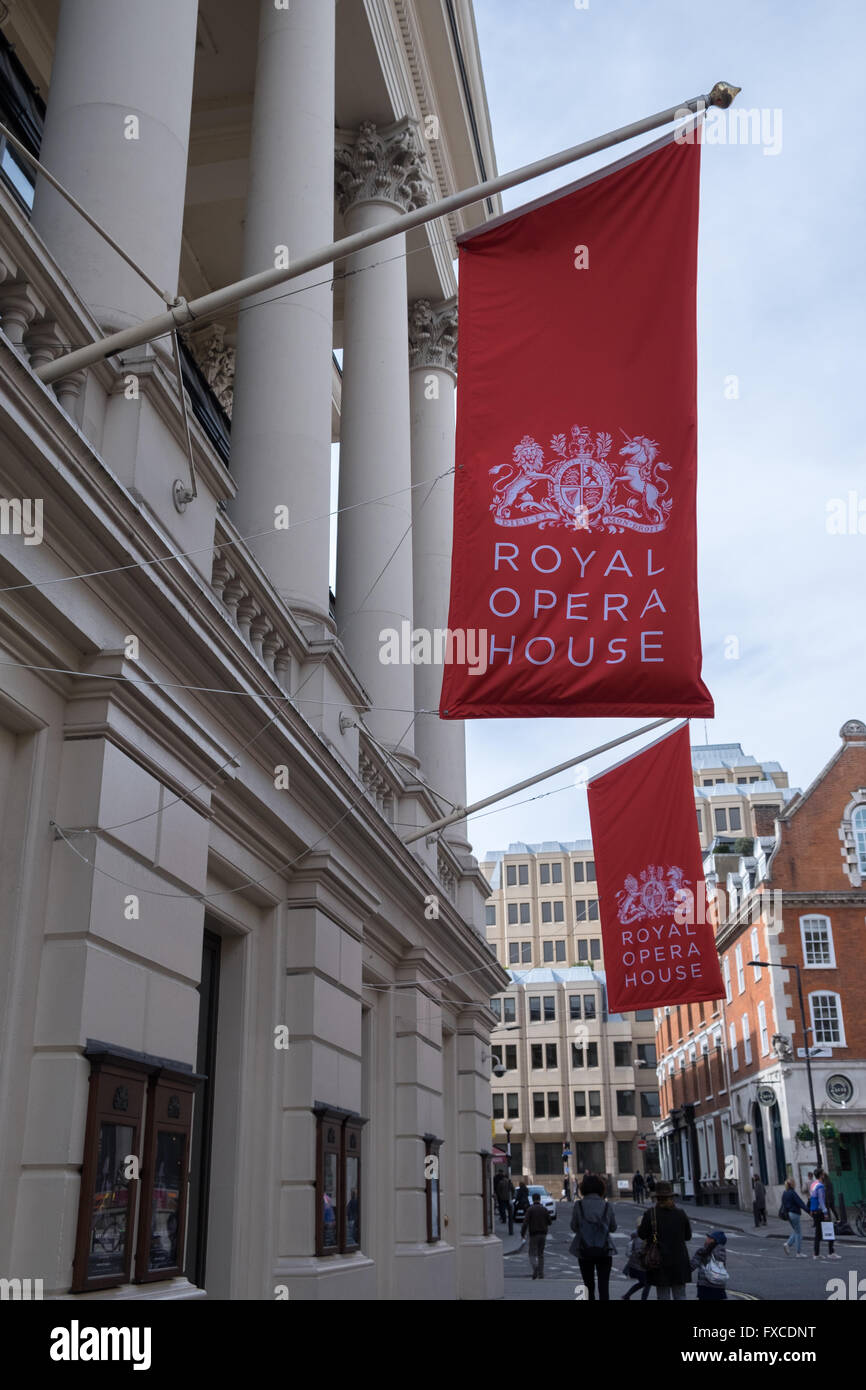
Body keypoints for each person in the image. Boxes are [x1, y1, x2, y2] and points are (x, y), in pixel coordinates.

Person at [637, 1180, 692, 1300]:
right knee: (681, 1295)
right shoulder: (681, 1214)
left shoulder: (650, 1214)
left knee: (663, 1296)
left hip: (659, 1260)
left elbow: (641, 1235)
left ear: (657, 1198)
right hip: (679, 1260)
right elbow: (688, 1236)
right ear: (671, 1196)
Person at [570, 1173, 617, 1301]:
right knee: (604, 1286)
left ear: (583, 1188)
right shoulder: (607, 1206)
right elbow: (613, 1227)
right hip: (604, 1249)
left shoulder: (579, 1205)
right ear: (601, 1188)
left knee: (588, 1286)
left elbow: (573, 1227)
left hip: (584, 1249)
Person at [809, 1169, 840, 1260]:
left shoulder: (813, 1185)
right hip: (820, 1211)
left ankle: (816, 1253)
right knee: (830, 1230)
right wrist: (825, 1212)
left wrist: (811, 1209)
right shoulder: (820, 1186)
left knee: (818, 1233)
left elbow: (812, 1199)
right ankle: (831, 1252)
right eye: (823, 1174)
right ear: (821, 1175)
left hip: (814, 1211)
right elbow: (821, 1201)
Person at [691, 1231, 729, 1301]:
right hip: (719, 1286)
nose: (707, 1238)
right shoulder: (722, 1252)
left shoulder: (703, 1251)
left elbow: (693, 1265)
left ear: (714, 1240)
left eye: (709, 1237)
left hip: (705, 1286)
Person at [521, 1192, 551, 1280]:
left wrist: (522, 1233)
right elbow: (549, 1222)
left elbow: (525, 1223)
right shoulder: (544, 1209)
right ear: (540, 1199)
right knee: (540, 1254)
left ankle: (535, 1268)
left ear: (533, 1199)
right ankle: (541, 1273)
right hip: (543, 1234)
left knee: (532, 1253)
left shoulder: (530, 1210)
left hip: (534, 1234)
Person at [621, 1225, 650, 1301]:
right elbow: (638, 1252)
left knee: (644, 1283)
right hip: (640, 1266)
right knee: (647, 1283)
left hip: (639, 1265)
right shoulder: (640, 1238)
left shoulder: (639, 1237)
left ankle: (627, 1295)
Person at [781, 1176, 808, 1257]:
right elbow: (800, 1203)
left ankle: (787, 1244)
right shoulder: (792, 1193)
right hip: (795, 1214)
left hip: (788, 1214)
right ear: (792, 1184)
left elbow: (783, 1204)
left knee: (796, 1231)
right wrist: (808, 1211)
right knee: (798, 1233)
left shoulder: (784, 1193)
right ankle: (798, 1252)